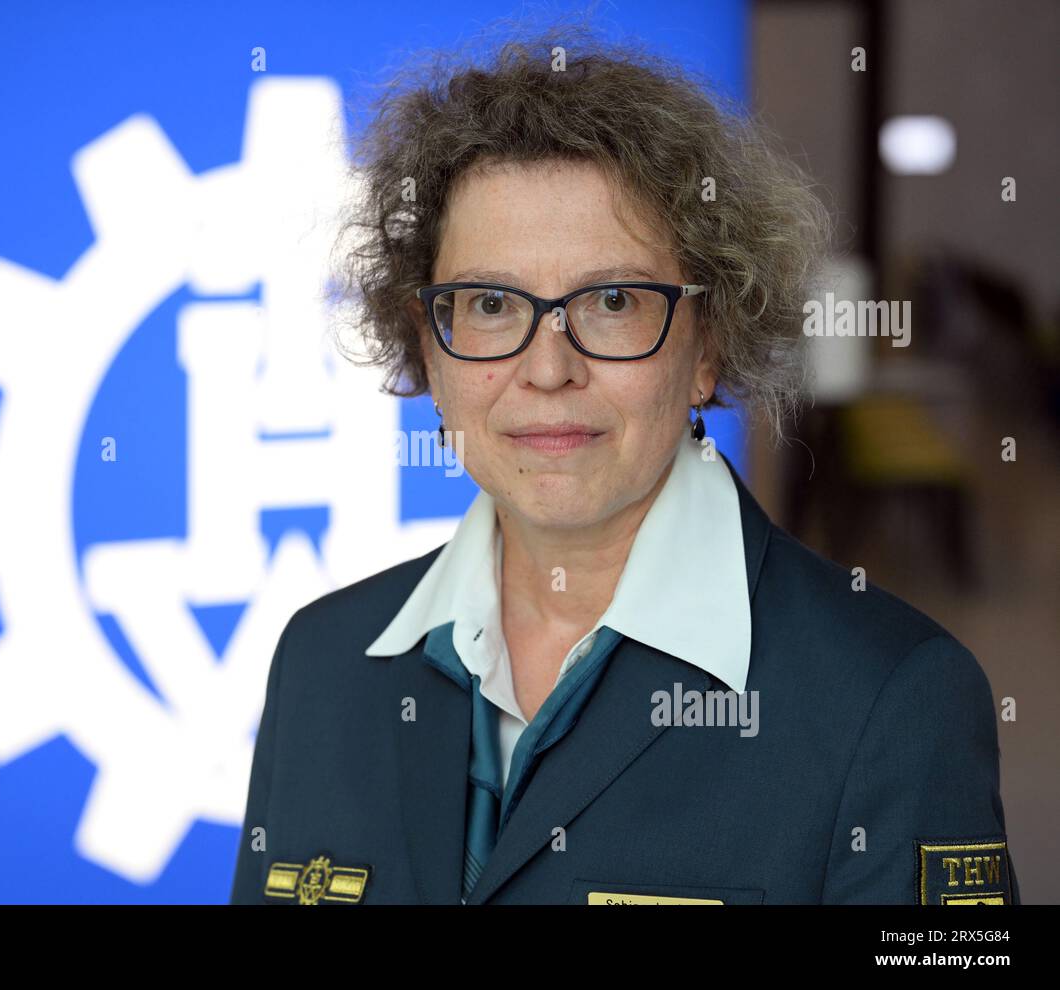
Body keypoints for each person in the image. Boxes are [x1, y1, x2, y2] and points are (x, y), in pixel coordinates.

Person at [229, 29, 1016, 905]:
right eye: (490, 304)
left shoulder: (891, 700)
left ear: (709, 344)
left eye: (612, 301)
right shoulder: (322, 661)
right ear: (429, 350)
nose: (549, 368)